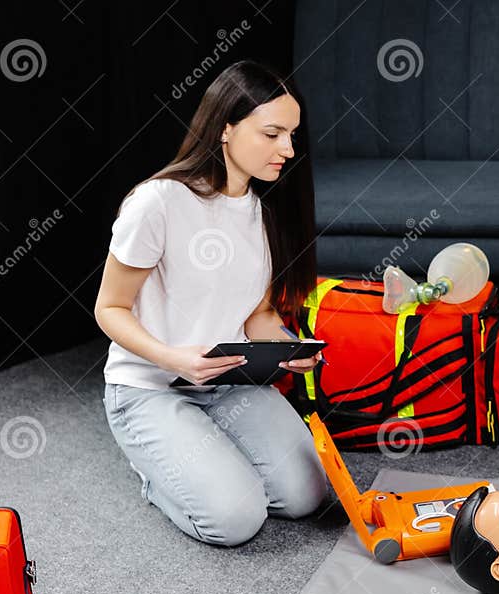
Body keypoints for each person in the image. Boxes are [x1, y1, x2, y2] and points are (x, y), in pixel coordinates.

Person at [94, 60, 328, 546]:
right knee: (235, 520)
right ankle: (158, 476)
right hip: (149, 387)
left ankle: (209, 455)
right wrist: (174, 358)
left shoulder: (262, 212)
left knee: (308, 495)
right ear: (226, 128)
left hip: (227, 380)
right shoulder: (156, 203)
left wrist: (289, 347)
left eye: (292, 135)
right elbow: (109, 309)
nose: (288, 149)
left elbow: (257, 314)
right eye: (272, 133)